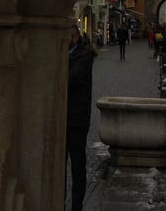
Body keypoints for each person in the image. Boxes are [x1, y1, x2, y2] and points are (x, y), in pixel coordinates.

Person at [66, 24, 93, 211]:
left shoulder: (84, 56)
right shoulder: (68, 53)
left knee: (77, 166)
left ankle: (77, 206)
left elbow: (70, 79)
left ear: (74, 38)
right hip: (63, 119)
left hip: (77, 120)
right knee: (59, 166)